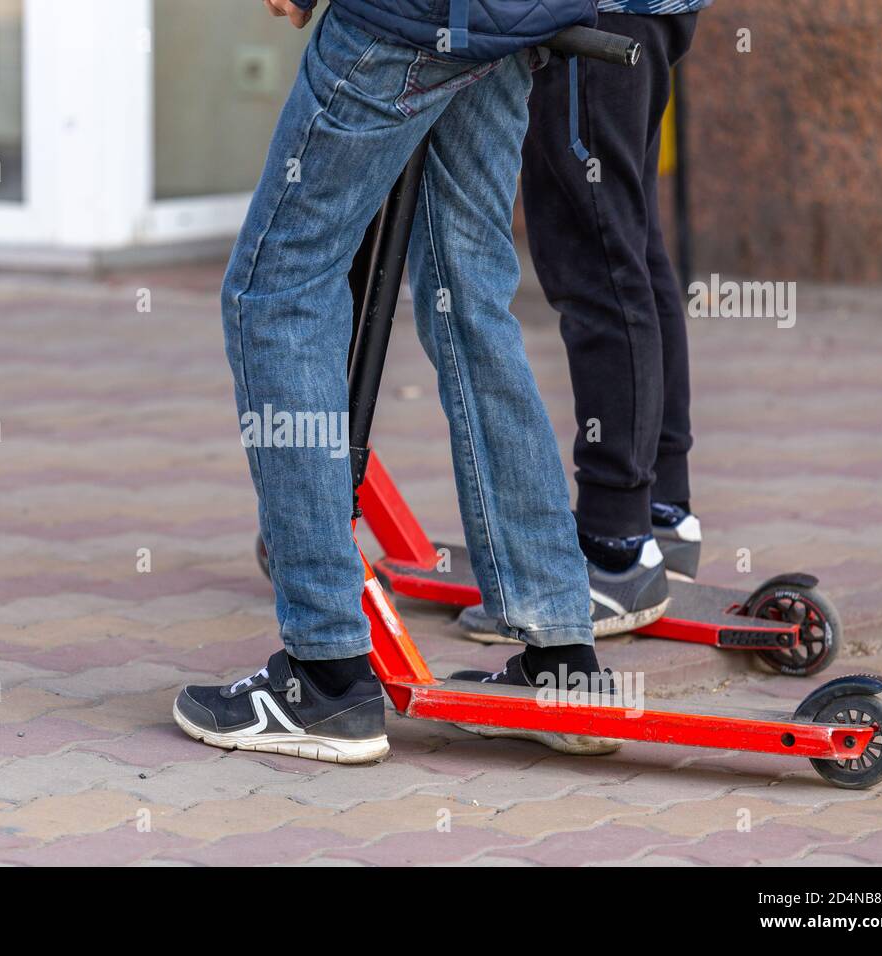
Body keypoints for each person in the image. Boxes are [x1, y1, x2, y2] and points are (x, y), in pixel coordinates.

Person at [173, 0, 619, 765]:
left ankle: (326, 674)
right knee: (468, 295)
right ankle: (561, 661)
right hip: (513, 21)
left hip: (408, 20)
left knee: (276, 290)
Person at [459, 0, 712, 644]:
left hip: (593, 19)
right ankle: (660, 515)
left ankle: (615, 547)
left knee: (596, 263)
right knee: (630, 248)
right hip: (646, 15)